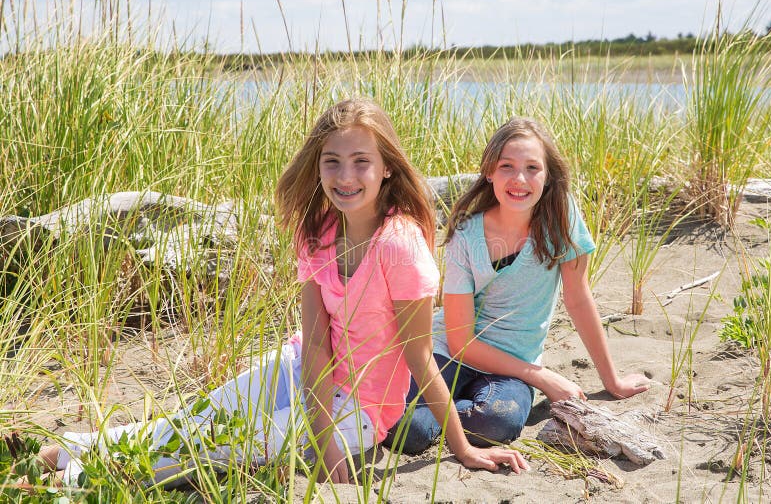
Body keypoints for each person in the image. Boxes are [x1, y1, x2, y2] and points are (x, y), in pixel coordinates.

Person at [33, 99, 527, 487]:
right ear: (318, 168)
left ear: (387, 169)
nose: (345, 176)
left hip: (363, 407)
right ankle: (71, 448)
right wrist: (318, 427)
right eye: (332, 162)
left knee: (222, 447)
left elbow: (420, 358)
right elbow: (314, 345)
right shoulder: (317, 230)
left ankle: (74, 481)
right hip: (302, 371)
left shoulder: (400, 248)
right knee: (197, 420)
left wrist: (462, 449)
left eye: (361, 162)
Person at [391, 117, 651, 454]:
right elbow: (460, 342)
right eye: (507, 166)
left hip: (511, 365)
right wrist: (542, 377)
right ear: (489, 172)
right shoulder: (465, 234)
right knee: (405, 428)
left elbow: (578, 299)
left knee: (500, 421)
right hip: (451, 350)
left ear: (547, 175)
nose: (519, 179)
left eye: (532, 168)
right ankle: (442, 419)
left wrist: (612, 381)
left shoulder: (561, 218)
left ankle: (444, 419)